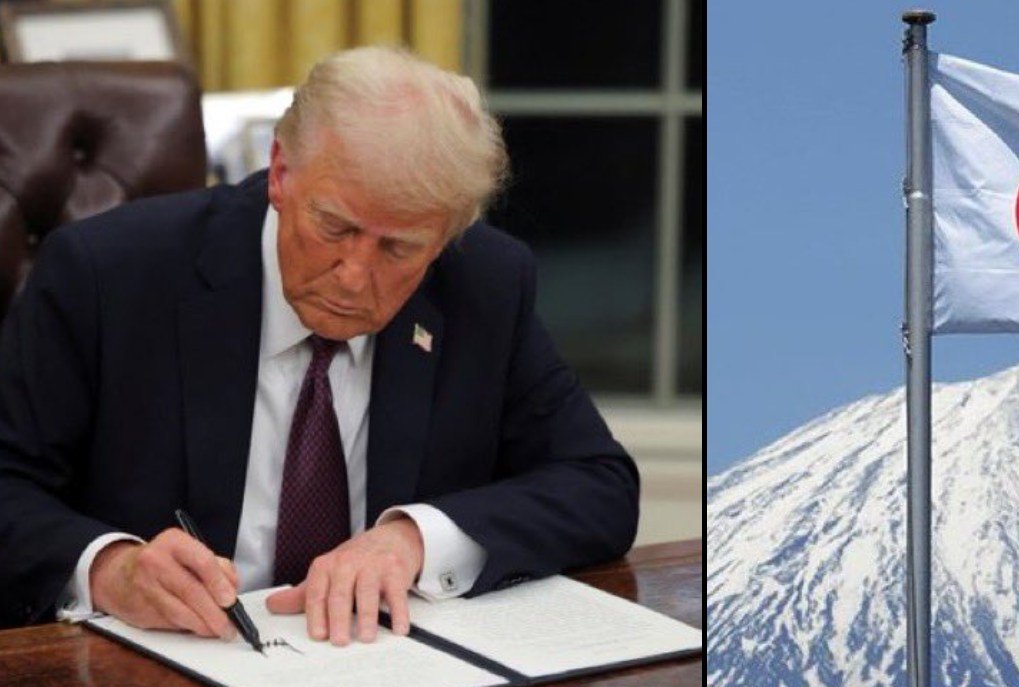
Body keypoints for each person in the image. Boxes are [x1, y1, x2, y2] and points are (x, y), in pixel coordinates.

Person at [0, 47, 639, 646]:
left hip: (387, 678)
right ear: (281, 173)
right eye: (334, 227)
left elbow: (599, 484)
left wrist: (414, 540)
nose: (355, 276)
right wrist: (110, 568)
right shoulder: (107, 274)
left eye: (400, 248)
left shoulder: (486, 285)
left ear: (445, 237)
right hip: (159, 683)